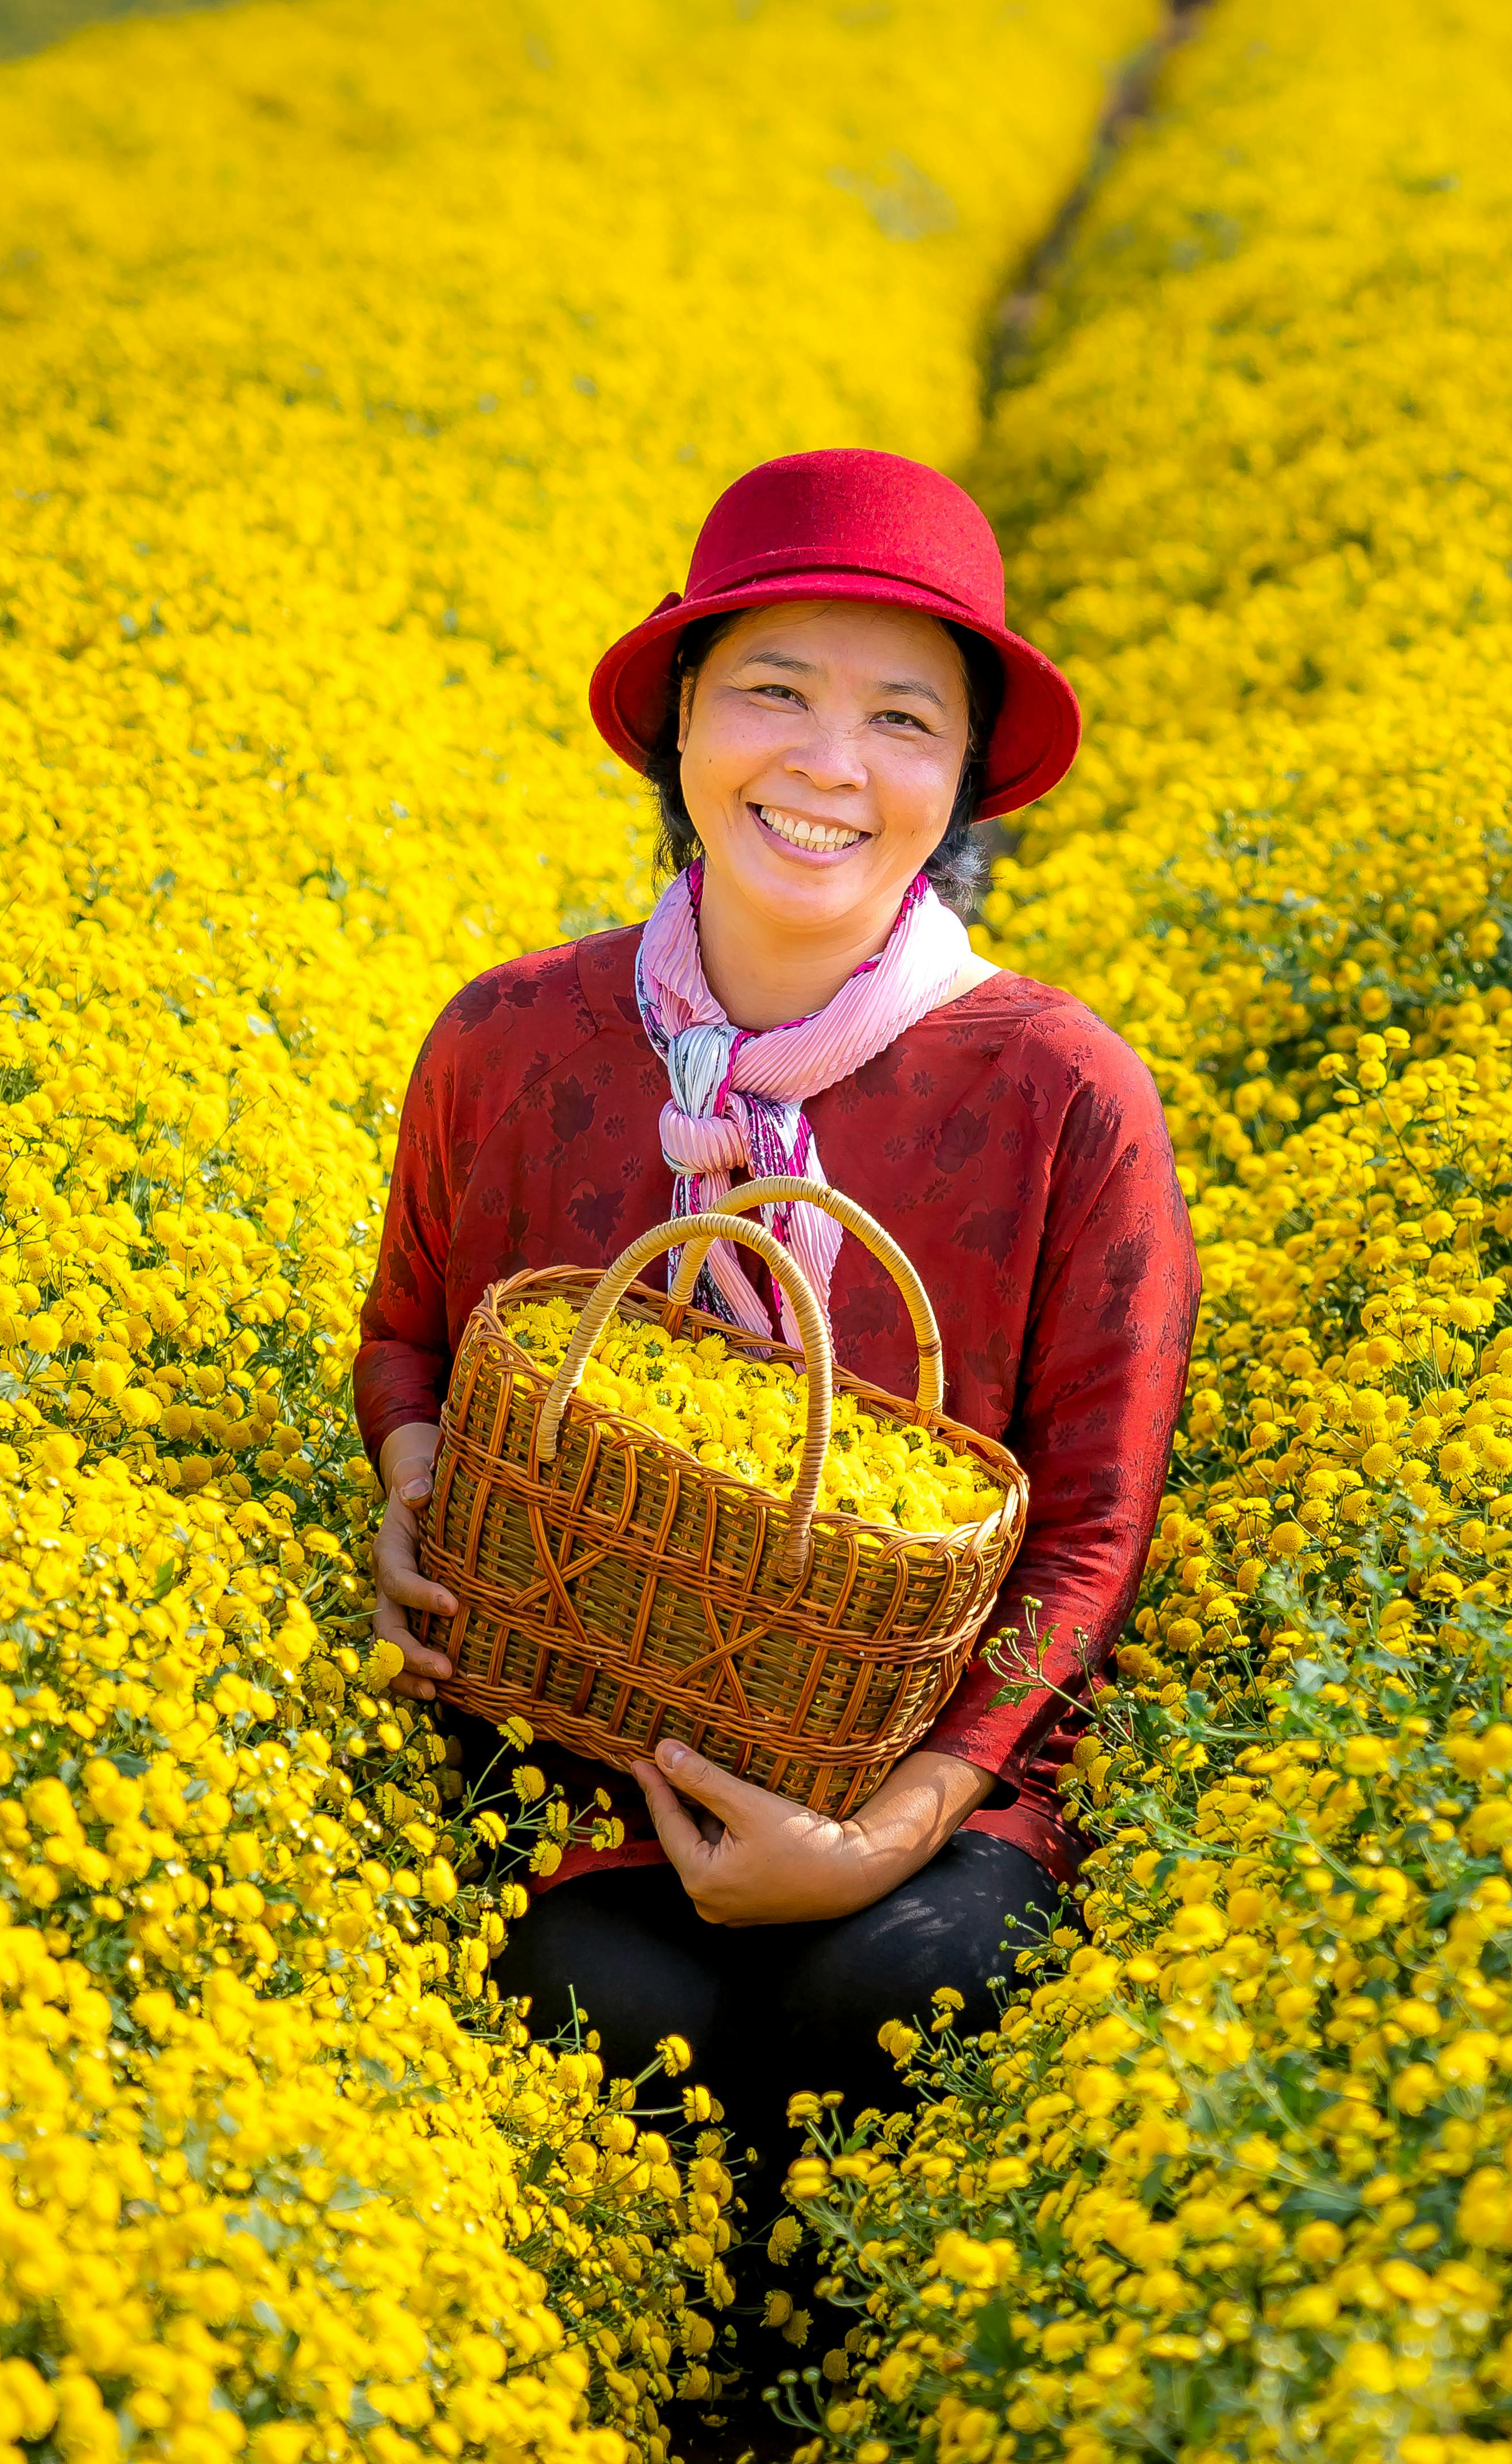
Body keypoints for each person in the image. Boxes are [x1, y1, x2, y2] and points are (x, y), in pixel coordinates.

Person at [352, 446, 1198, 2215]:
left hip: (924, 1779)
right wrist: (411, 1502)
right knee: (607, 2005)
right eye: (773, 696)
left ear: (962, 781)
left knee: (896, 1989)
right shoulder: (510, 1040)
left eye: (902, 720)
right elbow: (412, 1333)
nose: (828, 764)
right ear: (679, 728)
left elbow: (1097, 1520)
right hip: (576, 1733)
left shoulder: (1064, 1094)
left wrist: (885, 1833)